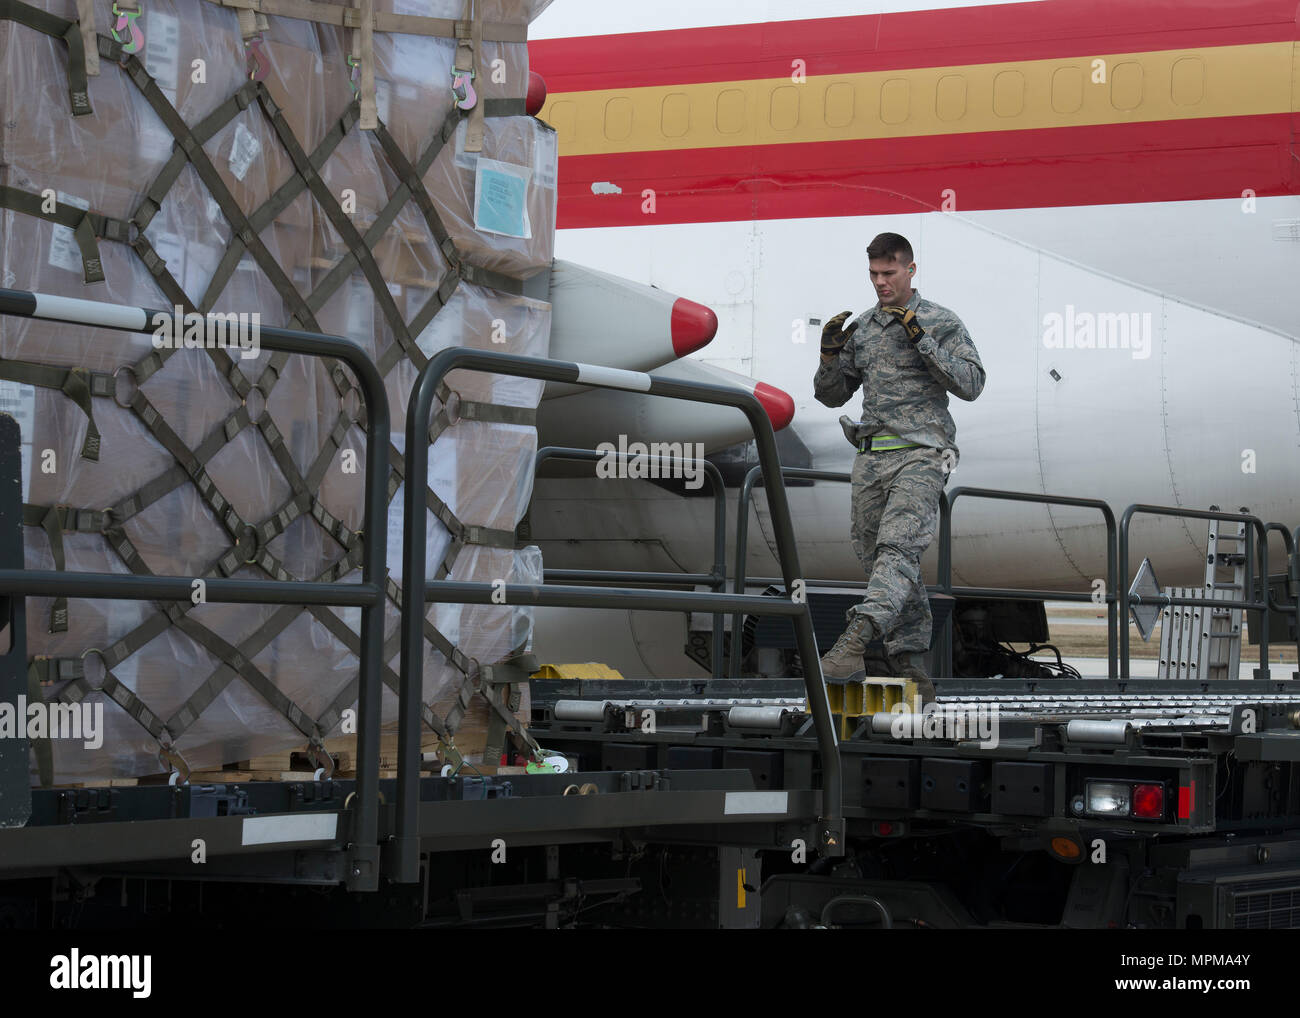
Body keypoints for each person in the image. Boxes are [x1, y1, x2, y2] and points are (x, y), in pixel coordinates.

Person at [813, 232, 986, 703]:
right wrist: (829, 355)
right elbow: (831, 395)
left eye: (889, 273)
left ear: (911, 270)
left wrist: (921, 338)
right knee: (878, 560)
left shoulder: (940, 320)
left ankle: (853, 642)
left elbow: (971, 384)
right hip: (871, 457)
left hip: (922, 453)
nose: (880, 282)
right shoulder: (865, 327)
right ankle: (911, 666)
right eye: (873, 274)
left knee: (897, 549)